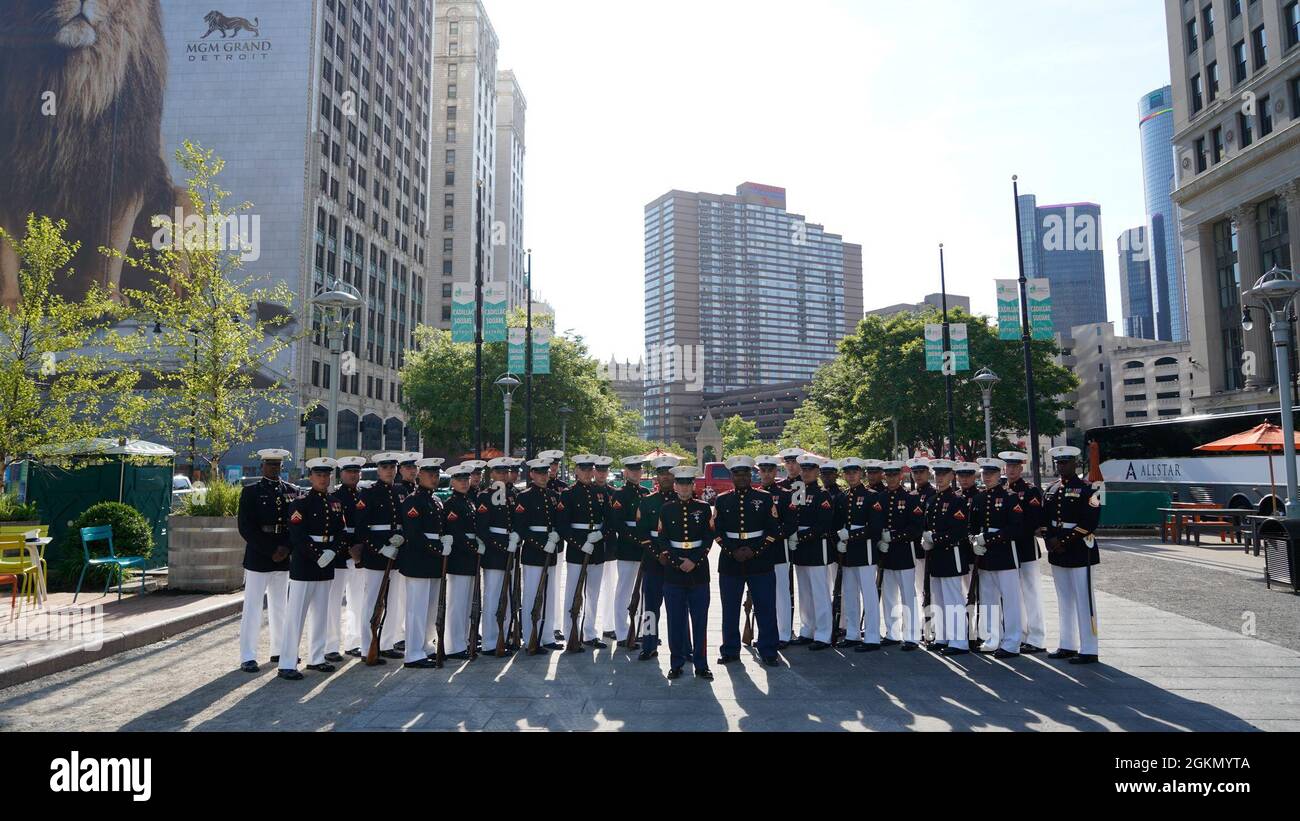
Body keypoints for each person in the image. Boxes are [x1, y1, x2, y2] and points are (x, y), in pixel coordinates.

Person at [279, 457, 344, 680]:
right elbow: (297, 535)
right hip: (305, 563)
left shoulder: (335, 502)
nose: (324, 479)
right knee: (296, 615)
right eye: (319, 475)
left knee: (321, 614)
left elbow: (341, 531)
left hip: (326, 562)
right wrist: (318, 554)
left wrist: (333, 551)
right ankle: (287, 663)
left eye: (327, 475)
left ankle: (316, 658)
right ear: (310, 477)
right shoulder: (300, 503)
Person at [715, 456, 781, 667]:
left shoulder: (764, 498)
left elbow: (773, 530)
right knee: (730, 608)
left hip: (759, 560)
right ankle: (730, 650)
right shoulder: (722, 499)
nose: (741, 477)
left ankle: (769, 650)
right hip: (730, 560)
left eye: (745, 473)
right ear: (731, 476)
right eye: (737, 473)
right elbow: (716, 531)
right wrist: (732, 550)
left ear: (750, 475)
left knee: (766, 607)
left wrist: (754, 550)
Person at [1041, 446, 1102, 665]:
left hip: (1079, 550)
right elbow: (1045, 519)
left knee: (1084, 600)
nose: (1061, 466)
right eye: (1058, 463)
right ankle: (1067, 644)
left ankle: (1089, 648)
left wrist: (1064, 540)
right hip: (1057, 551)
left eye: (1065, 462)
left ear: (1075, 463)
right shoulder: (1051, 488)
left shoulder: (1089, 489)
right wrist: (1049, 539)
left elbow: (1091, 523)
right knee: (1064, 600)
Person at [237, 449, 296, 673]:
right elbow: (245, 527)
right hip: (259, 555)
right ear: (262, 467)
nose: (274, 469)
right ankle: (248, 656)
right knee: (252, 607)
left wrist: (286, 548)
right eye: (270, 465)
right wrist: (270, 549)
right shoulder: (251, 492)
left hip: (282, 555)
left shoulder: (291, 491)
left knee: (280, 606)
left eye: (278, 465)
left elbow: (294, 524)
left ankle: (279, 649)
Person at [659, 465, 715, 680]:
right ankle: (676, 663)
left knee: (700, 620)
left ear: (693, 486)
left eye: (687, 484)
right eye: (680, 484)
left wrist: (694, 560)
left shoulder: (703, 508)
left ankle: (701, 664)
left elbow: (709, 537)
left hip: (698, 571)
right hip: (674, 572)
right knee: (675, 620)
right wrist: (676, 561)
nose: (684, 487)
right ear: (674, 486)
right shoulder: (667, 509)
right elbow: (662, 539)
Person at [352, 452, 406, 662]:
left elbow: (402, 521)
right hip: (377, 554)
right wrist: (380, 548)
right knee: (373, 601)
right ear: (378, 469)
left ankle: (386, 643)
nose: (389, 471)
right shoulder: (369, 493)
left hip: (396, 551)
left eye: (392, 467)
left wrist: (401, 537)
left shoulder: (400, 492)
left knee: (393, 601)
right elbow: (361, 528)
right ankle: (367, 646)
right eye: (385, 468)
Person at [398, 457, 449, 668]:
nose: (434, 478)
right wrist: (438, 548)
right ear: (420, 475)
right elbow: (414, 534)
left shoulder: (436, 500)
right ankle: (413, 653)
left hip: (434, 560)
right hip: (419, 559)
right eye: (430, 475)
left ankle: (426, 646)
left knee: (429, 608)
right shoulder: (412, 500)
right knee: (416, 609)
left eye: (437, 475)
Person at [971, 458, 1024, 658]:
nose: (987, 477)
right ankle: (993, 638)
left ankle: (1012, 642)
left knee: (1010, 600)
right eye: (984, 473)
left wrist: (989, 538)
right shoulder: (978, 498)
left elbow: (1015, 528)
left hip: (1004, 554)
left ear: (999, 473)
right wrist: (974, 541)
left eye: (991, 473)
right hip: (984, 555)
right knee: (988, 600)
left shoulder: (1010, 497)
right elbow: (971, 527)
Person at [559, 455, 611, 650]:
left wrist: (600, 535)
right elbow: (563, 525)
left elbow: (610, 519)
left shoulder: (600, 492)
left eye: (591, 469)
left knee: (593, 594)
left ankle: (589, 633)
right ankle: (570, 632)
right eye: (584, 469)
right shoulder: (568, 494)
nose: (588, 473)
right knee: (573, 593)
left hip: (596, 549)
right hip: (577, 550)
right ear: (577, 471)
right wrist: (580, 544)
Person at [514, 458, 565, 652]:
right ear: (532, 474)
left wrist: (555, 539)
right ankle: (530, 637)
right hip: (534, 553)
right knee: (532, 596)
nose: (544, 476)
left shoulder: (553, 495)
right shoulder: (524, 497)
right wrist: (542, 544)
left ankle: (547, 635)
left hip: (550, 550)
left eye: (546, 473)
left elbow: (559, 521)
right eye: (540, 473)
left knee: (549, 595)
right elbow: (521, 528)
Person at [922, 460, 971, 656]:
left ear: (952, 476)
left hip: (952, 554)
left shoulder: (957, 501)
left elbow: (958, 532)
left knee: (953, 599)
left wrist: (934, 537)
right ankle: (942, 636)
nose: (939, 478)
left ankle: (959, 641)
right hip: (936, 555)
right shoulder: (933, 500)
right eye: (937, 474)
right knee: (939, 599)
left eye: (944, 474)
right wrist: (925, 539)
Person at [1000, 450, 1047, 654]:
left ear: (1021, 468)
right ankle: (1019, 634)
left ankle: (1036, 637)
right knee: (1012, 596)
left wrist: (1014, 532)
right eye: (1008, 466)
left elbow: (1034, 520)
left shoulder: (1030, 490)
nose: (1010, 470)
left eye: (1014, 467)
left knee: (1031, 593)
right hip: (1007, 550)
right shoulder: (1001, 490)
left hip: (1025, 547)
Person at [634, 455, 680, 660]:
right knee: (650, 608)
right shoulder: (647, 501)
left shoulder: (683, 500)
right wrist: (657, 554)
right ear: (657, 477)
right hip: (653, 561)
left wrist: (672, 556)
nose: (665, 477)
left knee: (679, 609)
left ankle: (682, 648)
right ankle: (649, 645)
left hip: (677, 561)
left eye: (669, 472)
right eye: (661, 473)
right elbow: (642, 533)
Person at [835, 457, 883, 651]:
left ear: (861, 473)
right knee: (850, 594)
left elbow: (875, 528)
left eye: (854, 472)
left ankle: (872, 637)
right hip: (848, 552)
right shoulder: (843, 496)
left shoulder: (872, 496)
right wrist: (839, 540)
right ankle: (853, 634)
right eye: (847, 472)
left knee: (869, 595)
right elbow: (838, 524)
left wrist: (852, 535)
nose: (851, 476)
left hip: (865, 551)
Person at [792, 454, 836, 650]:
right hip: (800, 550)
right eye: (804, 469)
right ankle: (807, 630)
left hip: (817, 548)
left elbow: (824, 525)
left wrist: (800, 537)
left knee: (820, 592)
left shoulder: (822, 494)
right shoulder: (797, 493)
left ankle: (824, 634)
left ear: (818, 471)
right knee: (805, 593)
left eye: (810, 469)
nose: (806, 472)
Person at [475, 457, 519, 656]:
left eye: (505, 472)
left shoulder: (510, 495)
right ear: (491, 474)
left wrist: (515, 539)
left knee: (507, 596)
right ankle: (490, 641)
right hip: (494, 552)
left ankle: (505, 634)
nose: (503, 475)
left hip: (509, 549)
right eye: (499, 472)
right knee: (493, 595)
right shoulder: (485, 496)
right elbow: (483, 530)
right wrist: (503, 545)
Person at [327, 456, 369, 661]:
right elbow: (333, 528)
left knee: (358, 600)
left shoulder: (364, 495)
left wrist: (359, 547)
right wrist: (347, 546)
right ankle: (331, 646)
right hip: (339, 554)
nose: (353, 475)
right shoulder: (334, 496)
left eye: (356, 472)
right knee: (333, 602)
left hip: (359, 553)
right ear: (341, 474)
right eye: (349, 472)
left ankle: (355, 642)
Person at [877, 461, 921, 650]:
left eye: (895, 475)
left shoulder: (911, 498)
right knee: (888, 596)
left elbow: (916, 528)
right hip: (886, 555)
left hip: (904, 552)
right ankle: (892, 632)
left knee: (907, 596)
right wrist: (880, 540)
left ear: (901, 477)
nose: (891, 478)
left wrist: (893, 537)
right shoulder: (880, 498)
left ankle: (912, 636)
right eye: (888, 475)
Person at [756, 455, 798, 649]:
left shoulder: (785, 494)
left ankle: (784, 634)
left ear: (775, 472)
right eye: (762, 470)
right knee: (762, 595)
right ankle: (764, 633)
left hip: (778, 550)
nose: (766, 474)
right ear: (758, 472)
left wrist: (770, 537)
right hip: (758, 552)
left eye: (769, 470)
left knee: (781, 593)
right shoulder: (754, 494)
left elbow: (790, 525)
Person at [440, 463, 481, 660]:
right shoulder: (451, 505)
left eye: (466, 479)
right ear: (452, 482)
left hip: (471, 557)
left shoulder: (468, 502)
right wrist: (474, 547)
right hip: (460, 558)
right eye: (460, 480)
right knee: (457, 604)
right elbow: (456, 533)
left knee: (467, 605)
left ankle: (464, 640)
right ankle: (454, 645)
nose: (464, 483)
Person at [609, 456, 649, 649]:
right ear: (625, 472)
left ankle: (644, 631)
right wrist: (637, 539)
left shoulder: (646, 492)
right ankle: (622, 632)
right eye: (631, 470)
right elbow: (617, 523)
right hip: (627, 547)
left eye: (638, 470)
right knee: (624, 591)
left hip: (645, 547)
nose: (635, 473)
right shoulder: (620, 494)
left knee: (646, 592)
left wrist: (647, 541)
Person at [907, 457, 936, 641]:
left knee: (930, 590)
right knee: (920, 589)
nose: (918, 475)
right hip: (916, 549)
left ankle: (932, 627)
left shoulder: (933, 494)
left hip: (930, 548)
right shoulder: (911, 495)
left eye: (921, 472)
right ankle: (923, 625)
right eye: (915, 472)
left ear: (928, 473)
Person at [592, 455, 619, 638]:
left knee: (610, 586)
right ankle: (588, 628)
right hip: (591, 544)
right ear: (594, 472)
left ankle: (609, 625)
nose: (602, 474)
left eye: (604, 470)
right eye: (599, 470)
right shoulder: (589, 491)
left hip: (609, 544)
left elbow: (615, 520)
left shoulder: (614, 492)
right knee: (591, 589)